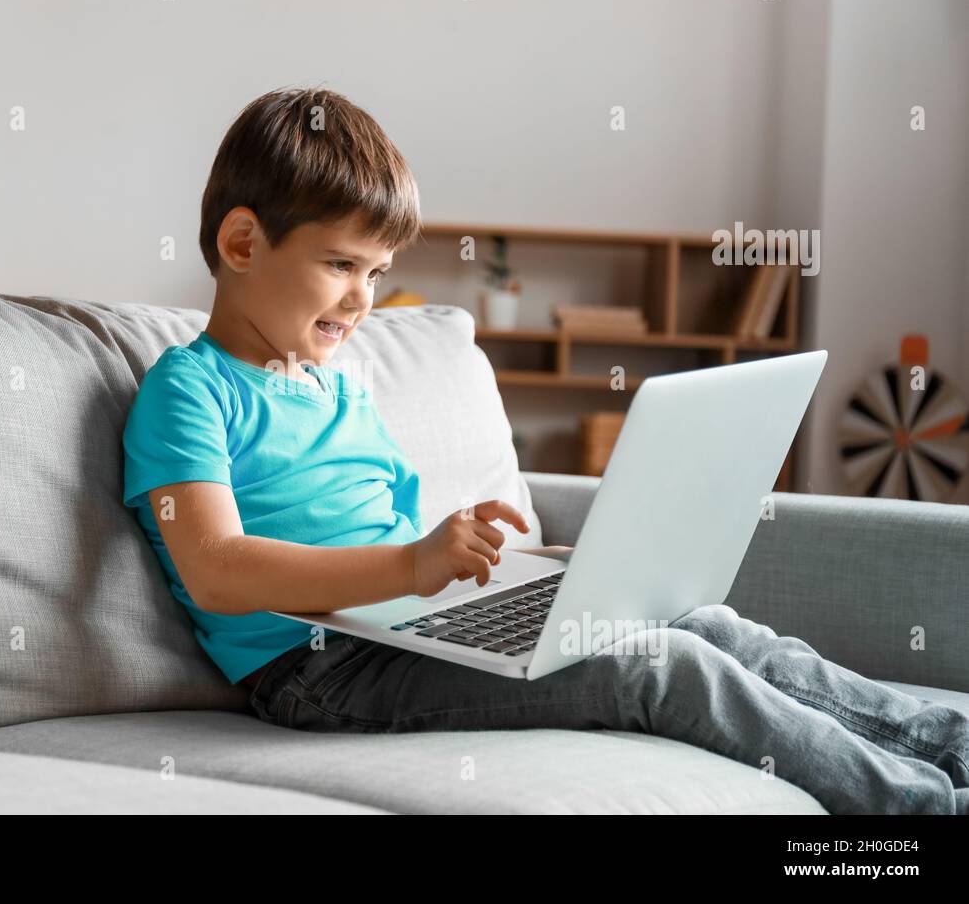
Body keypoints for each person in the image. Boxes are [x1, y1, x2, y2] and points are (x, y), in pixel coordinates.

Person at [122, 86, 968, 814]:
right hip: (317, 671)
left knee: (704, 622)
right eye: (341, 263)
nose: (361, 298)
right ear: (241, 245)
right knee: (660, 667)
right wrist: (412, 568)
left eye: (377, 273)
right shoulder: (189, 389)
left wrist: (517, 566)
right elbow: (217, 569)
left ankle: (950, 745)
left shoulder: (339, 387)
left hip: (407, 631)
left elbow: (395, 538)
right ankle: (918, 807)